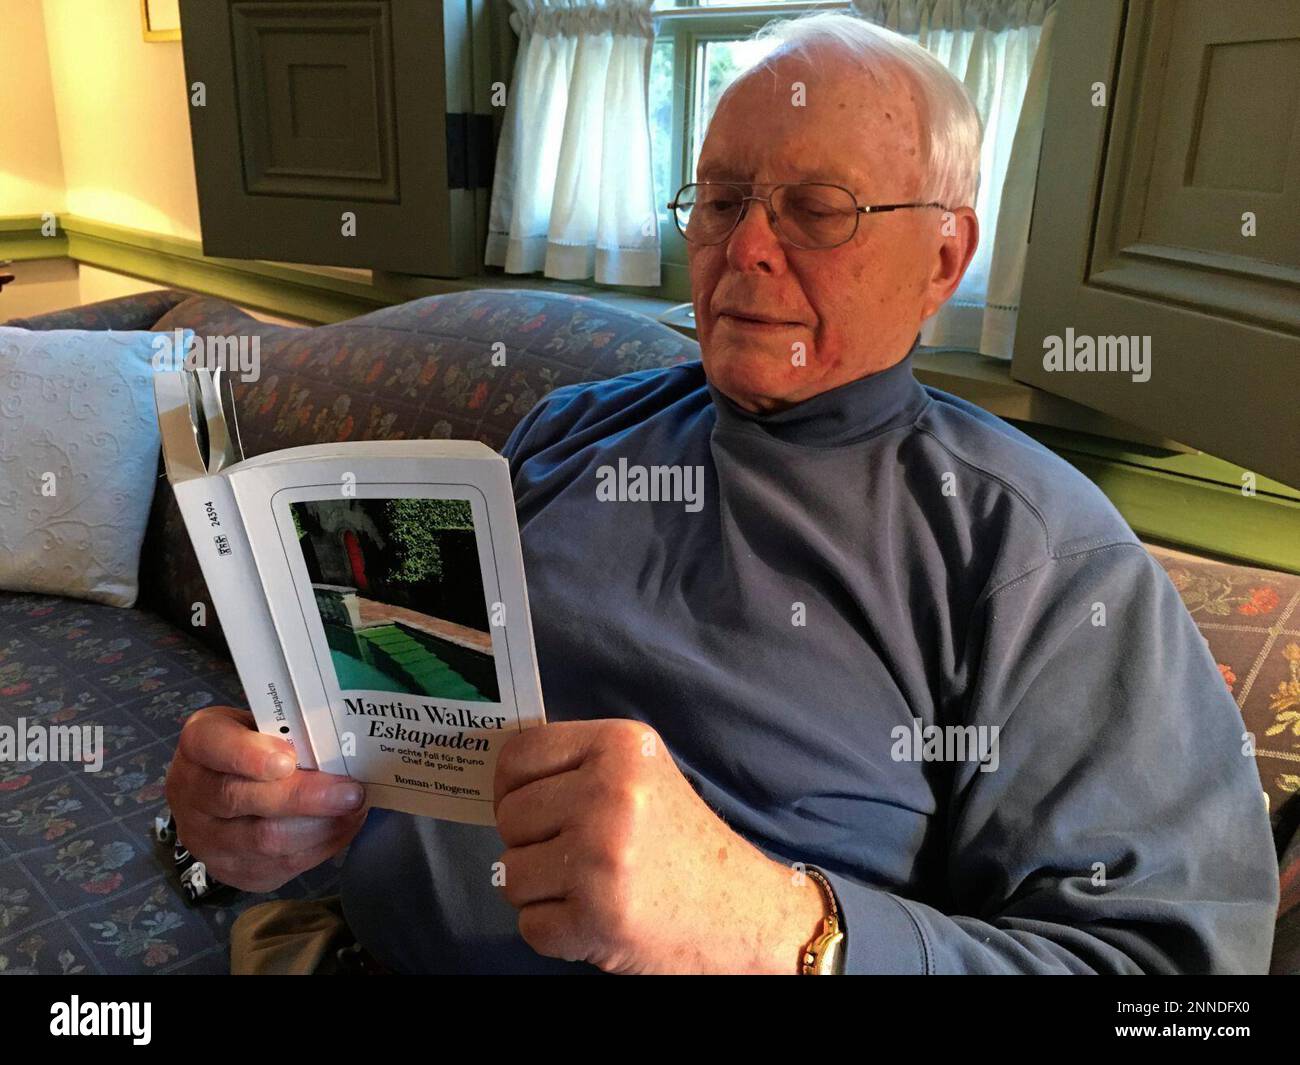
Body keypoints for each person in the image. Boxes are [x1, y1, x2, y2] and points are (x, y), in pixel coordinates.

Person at [165, 13, 1279, 974]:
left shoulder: (1028, 549)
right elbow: (405, 710)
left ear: (943, 260)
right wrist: (266, 807)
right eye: (721, 198)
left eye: (819, 208)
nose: (746, 248)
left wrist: (778, 932)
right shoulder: (572, 429)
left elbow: (1170, 979)